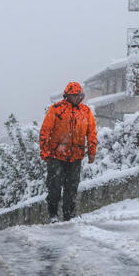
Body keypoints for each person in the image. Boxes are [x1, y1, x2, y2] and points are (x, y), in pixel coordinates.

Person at [40, 82, 97, 223]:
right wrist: (45, 152)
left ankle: (69, 215)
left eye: (79, 95)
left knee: (72, 187)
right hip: (56, 156)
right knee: (54, 187)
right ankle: (53, 214)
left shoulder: (86, 111)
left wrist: (91, 151)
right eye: (74, 95)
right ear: (67, 95)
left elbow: (92, 133)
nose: (77, 97)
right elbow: (45, 131)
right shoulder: (56, 109)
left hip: (76, 156)